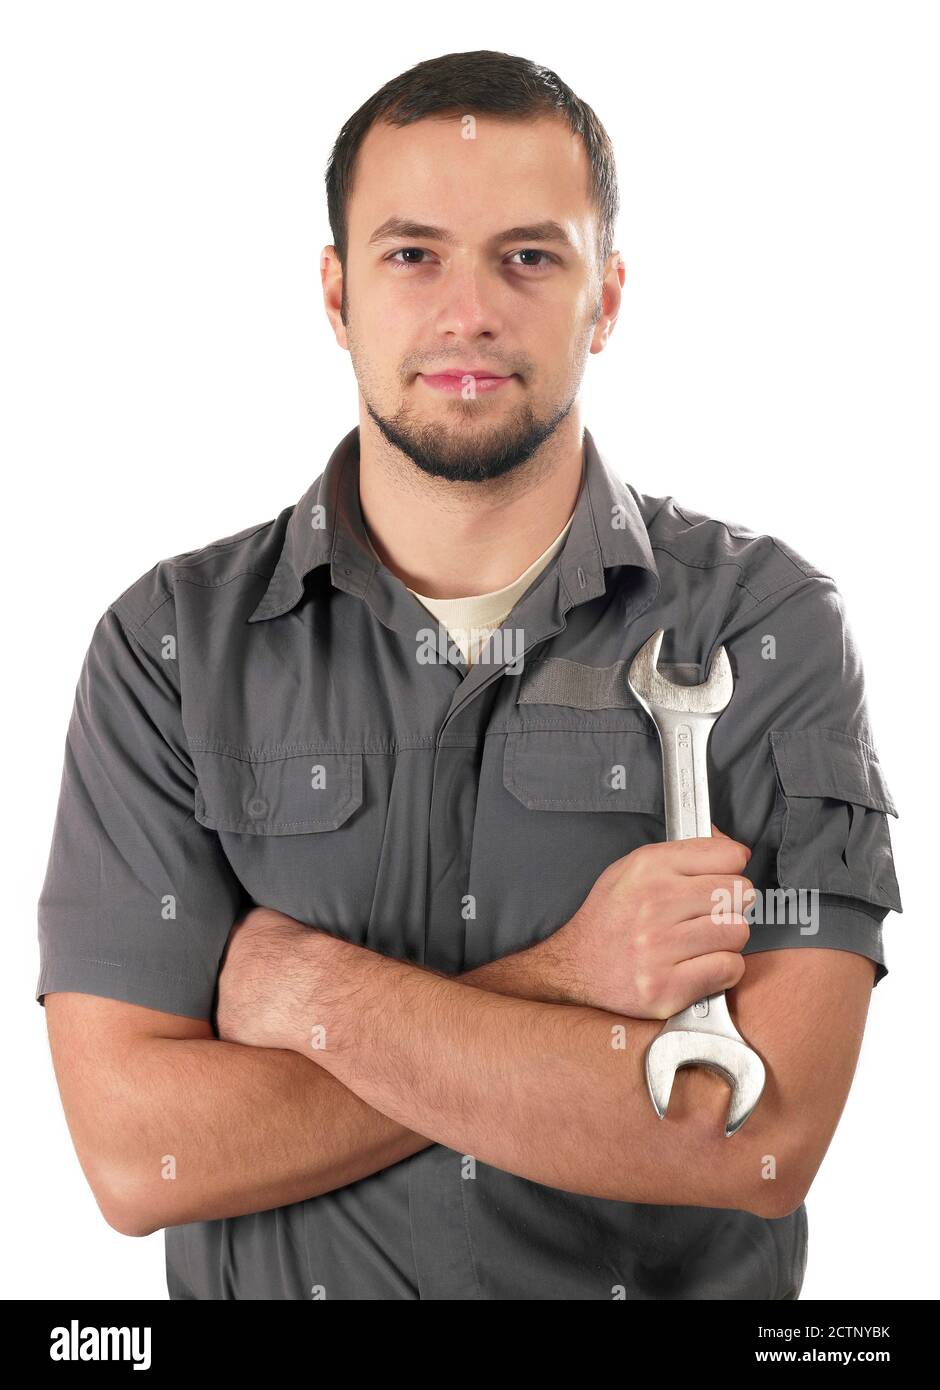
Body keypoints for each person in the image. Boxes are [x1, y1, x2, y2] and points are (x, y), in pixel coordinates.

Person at [36, 49, 902, 1301]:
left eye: (529, 256)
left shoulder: (765, 627)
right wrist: (562, 981)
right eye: (412, 254)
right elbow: (138, 1154)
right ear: (335, 293)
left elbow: (756, 1138)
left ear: (605, 296)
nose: (469, 313)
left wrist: (311, 991)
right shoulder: (168, 650)